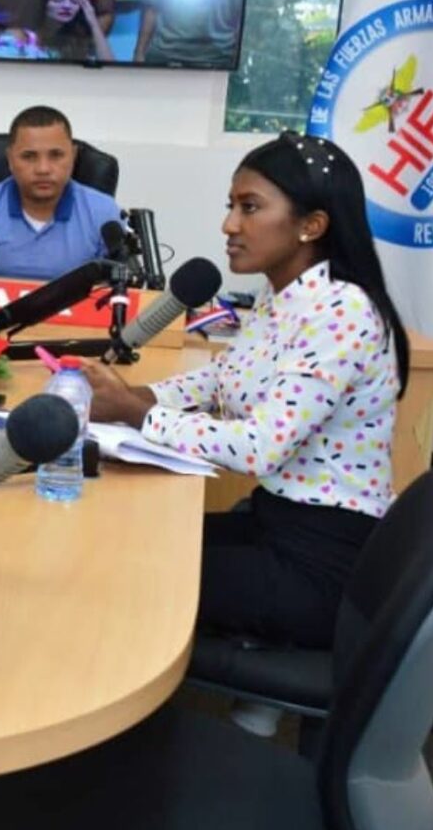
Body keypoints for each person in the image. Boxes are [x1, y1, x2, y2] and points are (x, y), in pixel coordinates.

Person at [81, 131, 409, 655]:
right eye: (231, 205)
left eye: (249, 207)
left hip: (323, 560)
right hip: (273, 522)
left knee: (125, 576)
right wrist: (137, 395)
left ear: (312, 226)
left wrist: (139, 416)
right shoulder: (283, 294)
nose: (229, 225)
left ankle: (133, 725)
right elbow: (219, 379)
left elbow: (260, 445)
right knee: (125, 545)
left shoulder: (339, 311)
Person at [0, 105, 122, 281]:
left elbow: (123, 293)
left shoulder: (105, 214)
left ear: (72, 156)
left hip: (73, 319)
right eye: (29, 157)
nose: (43, 169)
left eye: (56, 155)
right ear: (10, 159)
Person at [0, 0, 115, 63]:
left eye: (74, 1)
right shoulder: (19, 35)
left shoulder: (71, 41)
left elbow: (110, 71)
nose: (67, 6)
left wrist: (92, 20)